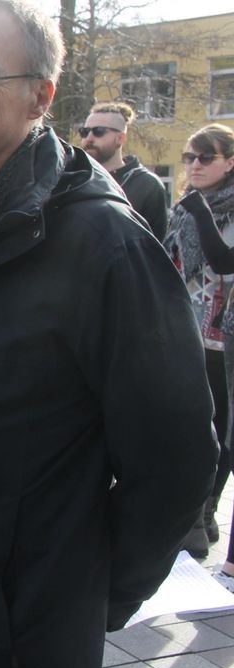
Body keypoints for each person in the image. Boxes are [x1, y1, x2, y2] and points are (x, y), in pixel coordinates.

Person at [0, 1, 218, 668]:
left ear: (39, 97)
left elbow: (176, 459)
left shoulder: (104, 244)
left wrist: (84, 591)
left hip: (19, 638)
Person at [162, 123, 234, 567]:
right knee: (196, 423)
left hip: (227, 334)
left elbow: (224, 260)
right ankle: (196, 513)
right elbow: (174, 257)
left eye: (205, 158)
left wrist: (199, 209)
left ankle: (206, 510)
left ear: (230, 162)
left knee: (224, 431)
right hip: (192, 327)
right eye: (189, 157)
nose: (194, 165)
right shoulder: (187, 208)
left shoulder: (208, 207)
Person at [80, 101, 169, 241]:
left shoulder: (147, 185)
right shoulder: (76, 179)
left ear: (120, 138)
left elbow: (156, 245)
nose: (89, 138)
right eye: (84, 132)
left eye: (99, 131)